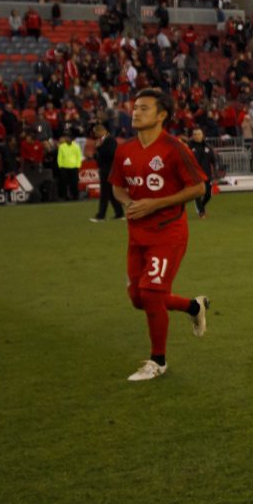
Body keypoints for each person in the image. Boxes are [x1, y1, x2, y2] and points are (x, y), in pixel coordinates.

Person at [109, 89, 211, 382]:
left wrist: (155, 203)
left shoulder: (174, 148)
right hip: (137, 235)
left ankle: (158, 361)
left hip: (169, 232)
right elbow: (117, 186)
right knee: (139, 298)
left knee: (152, 293)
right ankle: (194, 306)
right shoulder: (124, 150)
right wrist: (129, 204)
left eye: (143, 108)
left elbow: (198, 188)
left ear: (162, 115)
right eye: (135, 107)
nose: (136, 112)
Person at [90, 124, 123, 222]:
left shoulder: (110, 140)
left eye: (95, 132)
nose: (94, 134)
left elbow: (112, 153)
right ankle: (119, 213)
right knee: (111, 194)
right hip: (105, 169)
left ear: (101, 131)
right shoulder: (104, 141)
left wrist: (99, 148)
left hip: (108, 170)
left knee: (104, 193)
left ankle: (101, 215)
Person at [55, 133, 83, 202]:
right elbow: (59, 157)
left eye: (68, 138)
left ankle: (75, 196)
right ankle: (64, 196)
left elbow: (79, 156)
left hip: (74, 167)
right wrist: (60, 166)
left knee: (74, 183)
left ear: (71, 139)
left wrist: (78, 165)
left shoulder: (76, 146)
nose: (67, 139)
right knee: (63, 183)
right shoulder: (62, 146)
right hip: (64, 167)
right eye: (66, 138)